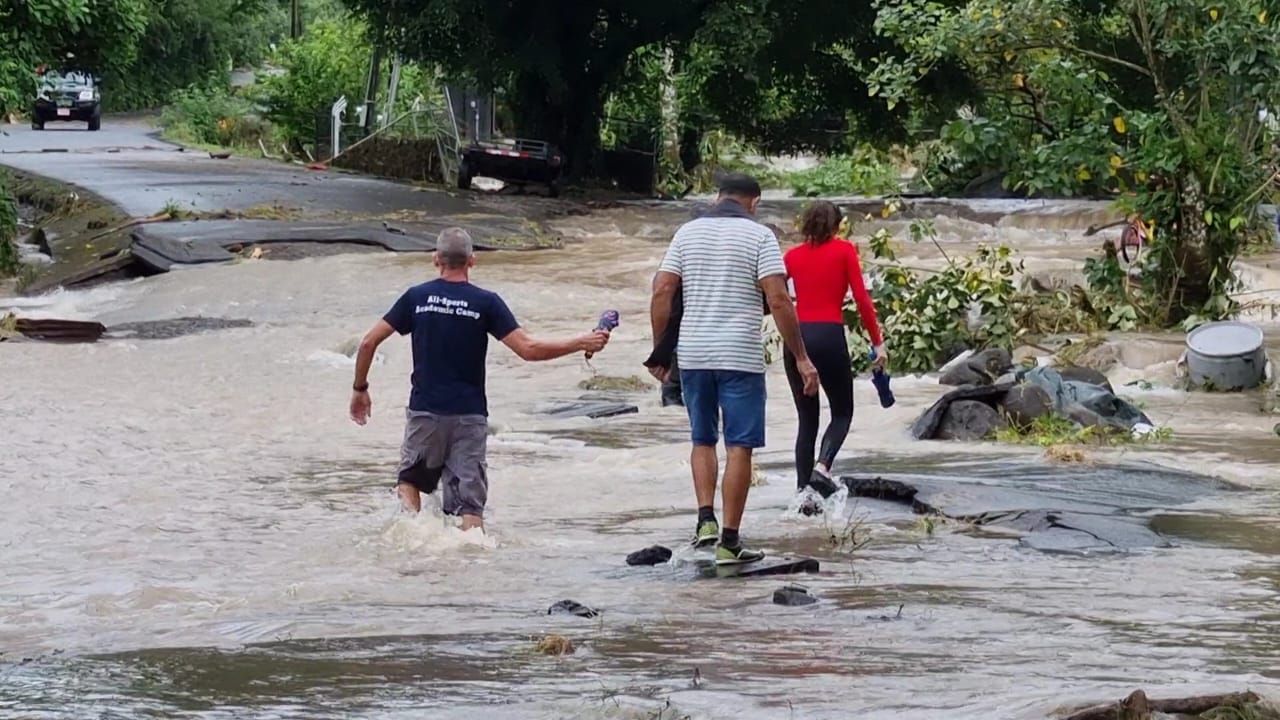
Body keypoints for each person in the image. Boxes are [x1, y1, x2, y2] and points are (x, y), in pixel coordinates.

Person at [348, 227, 611, 532]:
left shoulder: (416, 297)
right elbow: (528, 349)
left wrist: (360, 389)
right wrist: (582, 342)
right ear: (472, 261)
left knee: (411, 483)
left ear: (436, 260)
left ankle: (410, 550)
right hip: (469, 418)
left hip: (425, 413)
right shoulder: (486, 303)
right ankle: (471, 567)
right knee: (469, 508)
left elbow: (368, 343)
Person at [648, 173, 819, 565]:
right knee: (740, 447)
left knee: (702, 439)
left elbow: (661, 291)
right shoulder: (760, 237)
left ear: (718, 197)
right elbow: (778, 299)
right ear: (754, 203)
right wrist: (801, 356)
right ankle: (729, 542)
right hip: (739, 356)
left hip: (693, 355)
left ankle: (704, 520)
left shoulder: (687, 233)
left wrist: (662, 350)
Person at [782, 201, 886, 500]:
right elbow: (863, 299)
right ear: (836, 226)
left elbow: (771, 294)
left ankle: (803, 496)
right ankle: (822, 467)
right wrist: (876, 341)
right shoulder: (844, 251)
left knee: (807, 420)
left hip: (797, 340)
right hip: (828, 335)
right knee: (842, 412)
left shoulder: (791, 256)